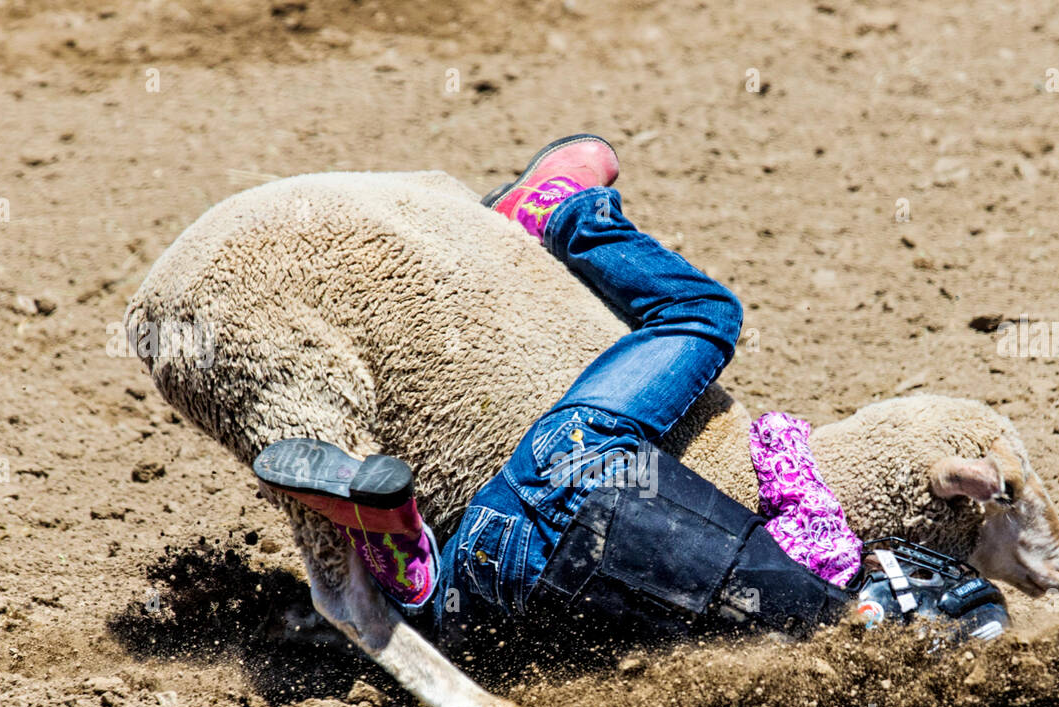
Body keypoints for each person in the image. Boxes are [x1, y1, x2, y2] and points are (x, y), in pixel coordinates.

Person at [253, 135, 1010, 657]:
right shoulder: (777, 663)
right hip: (498, 564)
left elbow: (784, 466)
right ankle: (407, 560)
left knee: (706, 317)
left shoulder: (827, 551)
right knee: (470, 631)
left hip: (586, 466)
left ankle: (558, 214)